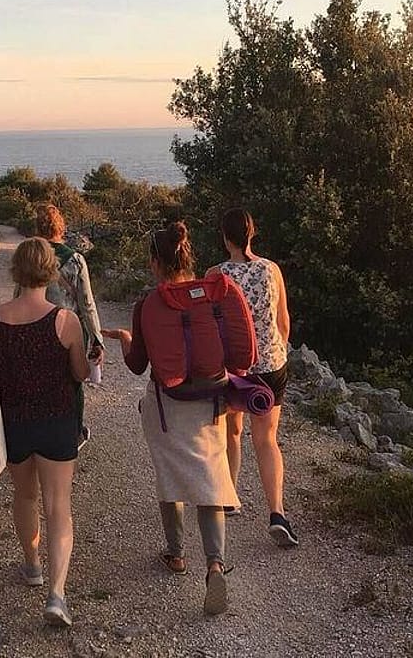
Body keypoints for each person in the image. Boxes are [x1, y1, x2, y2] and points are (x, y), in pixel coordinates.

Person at [102, 222, 254, 617]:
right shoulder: (216, 296)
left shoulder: (149, 304)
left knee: (171, 475)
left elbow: (138, 366)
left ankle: (175, 553)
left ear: (156, 262)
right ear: (188, 257)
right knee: (211, 477)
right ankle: (216, 563)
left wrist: (124, 338)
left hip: (168, 405)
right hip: (212, 402)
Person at [0, 238, 90, 627]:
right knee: (58, 506)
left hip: (13, 423)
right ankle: (57, 595)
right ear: (50, 270)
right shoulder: (65, 321)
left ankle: (32, 565)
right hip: (58, 422)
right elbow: (79, 374)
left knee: (24, 496)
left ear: (16, 269)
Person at [207, 209, 299, 548]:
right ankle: (276, 512)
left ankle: (229, 497)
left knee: (232, 430)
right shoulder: (271, 270)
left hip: (234, 368)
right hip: (272, 365)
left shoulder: (216, 275)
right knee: (267, 439)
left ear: (225, 237)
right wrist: (276, 353)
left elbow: (210, 325)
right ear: (252, 233)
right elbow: (283, 322)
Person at [30, 204, 104, 448]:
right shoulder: (75, 259)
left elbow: (20, 294)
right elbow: (87, 303)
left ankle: (39, 430)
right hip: (70, 329)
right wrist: (97, 338)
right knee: (73, 380)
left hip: (36, 327)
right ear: (60, 227)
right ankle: (73, 432)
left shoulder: (31, 256)